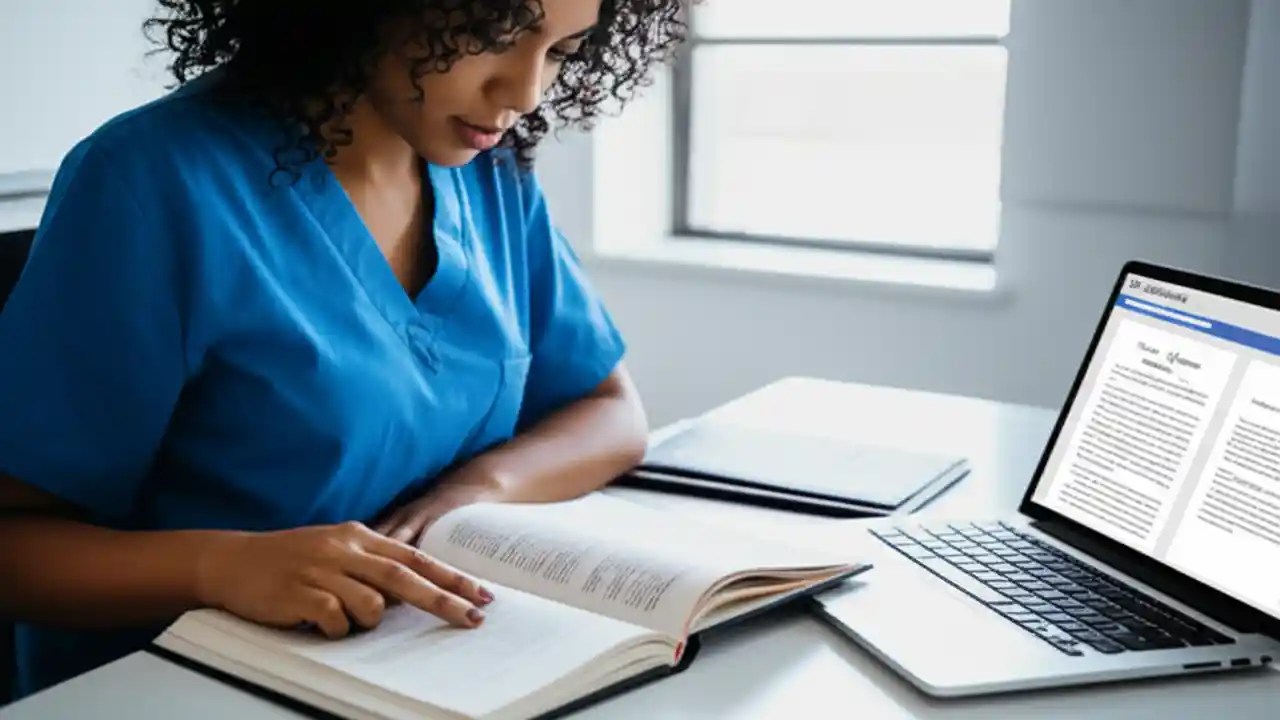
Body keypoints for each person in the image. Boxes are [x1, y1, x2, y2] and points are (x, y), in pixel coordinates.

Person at [0, 0, 688, 698]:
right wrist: (220, 566)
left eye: (563, 52)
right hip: (168, 690)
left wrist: (478, 493)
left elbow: (609, 409)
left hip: (430, 673)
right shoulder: (151, 180)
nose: (526, 92)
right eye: (493, 37)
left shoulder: (487, 165)